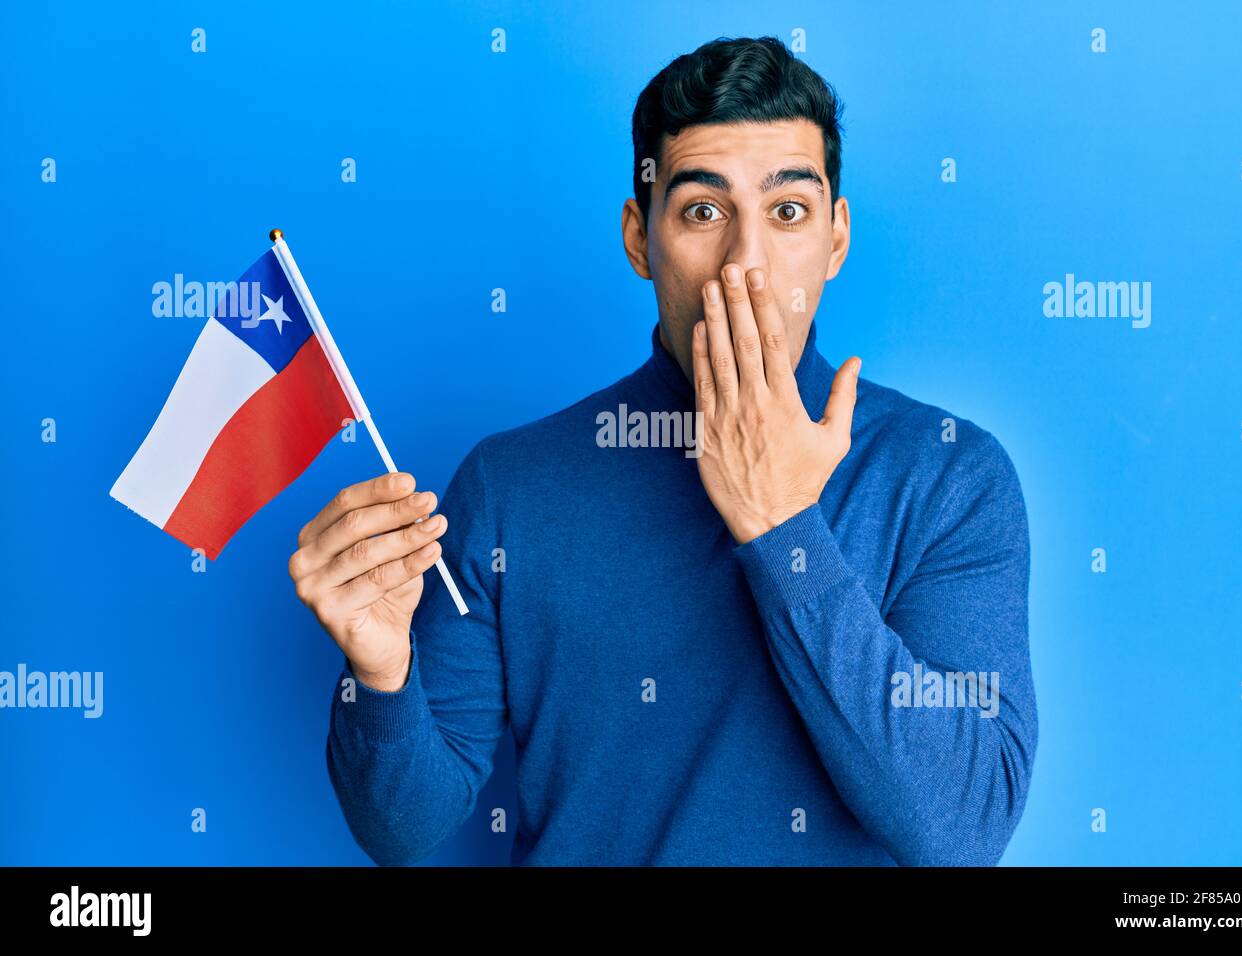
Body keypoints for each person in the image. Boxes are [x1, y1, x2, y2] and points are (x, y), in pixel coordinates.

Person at [289, 35, 1037, 866]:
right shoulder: (509, 488)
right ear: (641, 238)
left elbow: (963, 828)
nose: (745, 262)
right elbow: (408, 829)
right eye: (703, 212)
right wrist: (380, 674)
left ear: (835, 238)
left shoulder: (947, 476)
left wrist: (782, 526)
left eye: (787, 211)